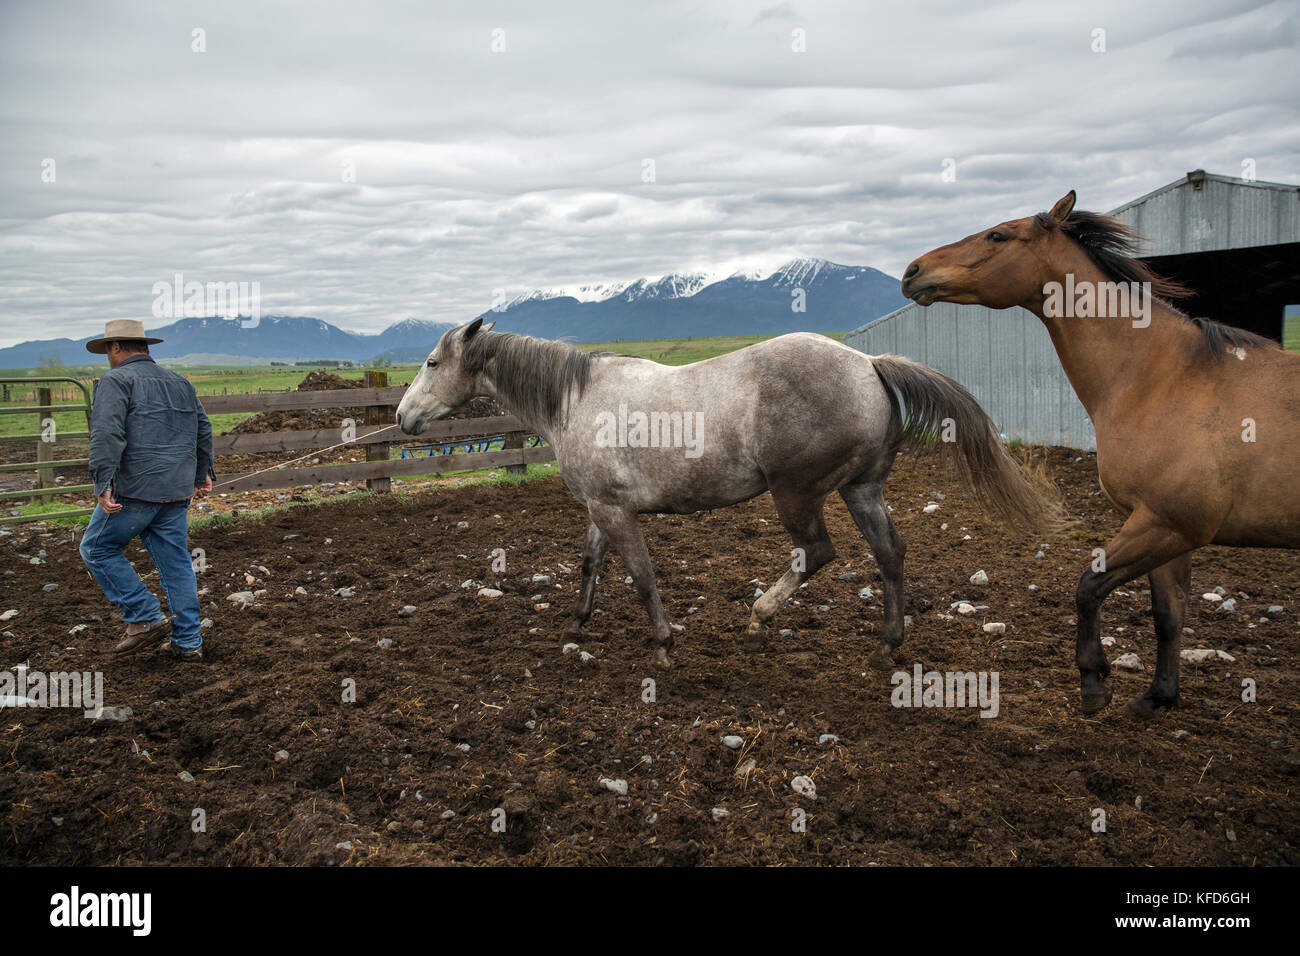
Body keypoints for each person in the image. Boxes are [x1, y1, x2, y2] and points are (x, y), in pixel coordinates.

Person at [78, 319, 214, 661]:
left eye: (108, 349)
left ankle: (143, 615)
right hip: (176, 490)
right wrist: (201, 473)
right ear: (146, 347)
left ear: (115, 348)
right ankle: (188, 642)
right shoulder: (180, 382)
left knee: (96, 548)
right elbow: (203, 428)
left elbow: (107, 434)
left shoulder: (116, 380)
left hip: (135, 490)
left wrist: (103, 482)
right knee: (177, 562)